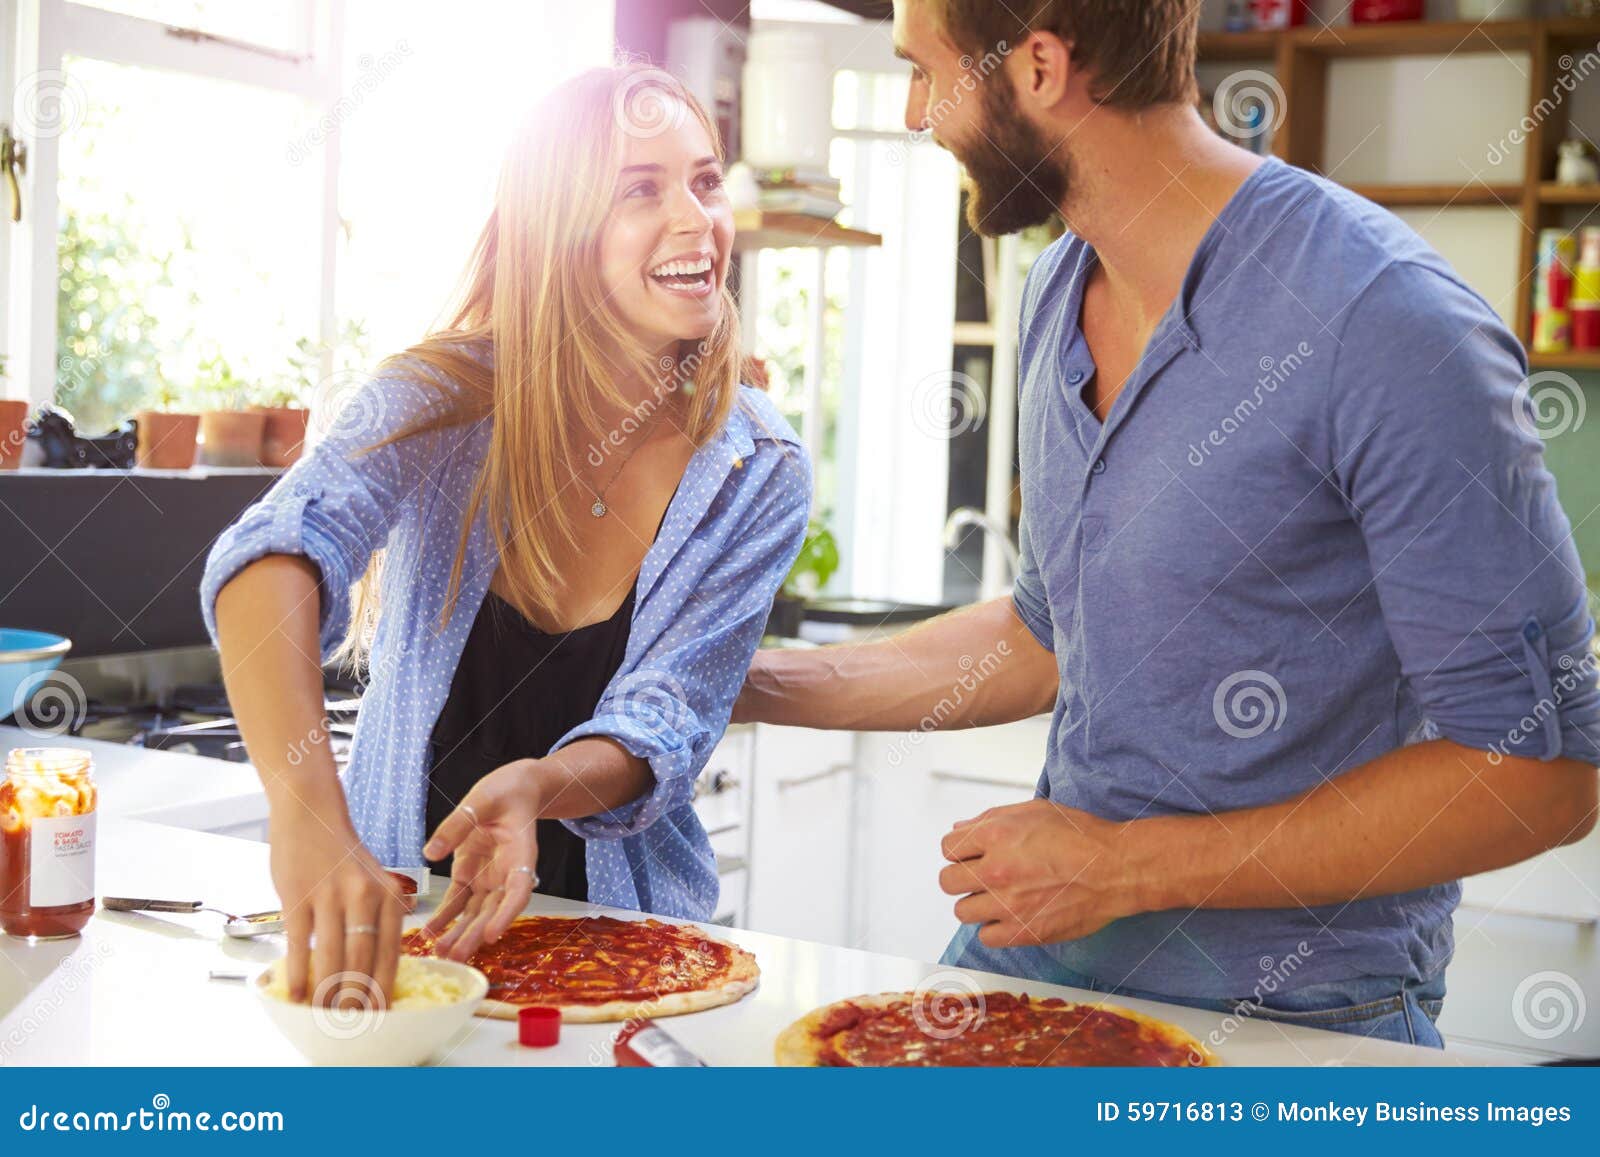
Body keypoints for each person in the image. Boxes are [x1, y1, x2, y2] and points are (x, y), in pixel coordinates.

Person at [733, 0, 1600, 1047]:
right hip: (1038, 958)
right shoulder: (1059, 283)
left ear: (1041, 68)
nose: (918, 114)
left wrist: (1121, 866)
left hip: (1296, 1006)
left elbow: (1539, 779)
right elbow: (1040, 635)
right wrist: (742, 684)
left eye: (925, 72)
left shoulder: (1388, 323)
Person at [202, 64, 810, 1006]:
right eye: (640, 191)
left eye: (703, 179)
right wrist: (309, 819)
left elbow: (663, 720)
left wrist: (535, 784)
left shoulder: (756, 467)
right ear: (558, 231)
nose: (698, 220)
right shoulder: (440, 402)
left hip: (631, 957)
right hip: (404, 944)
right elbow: (274, 552)